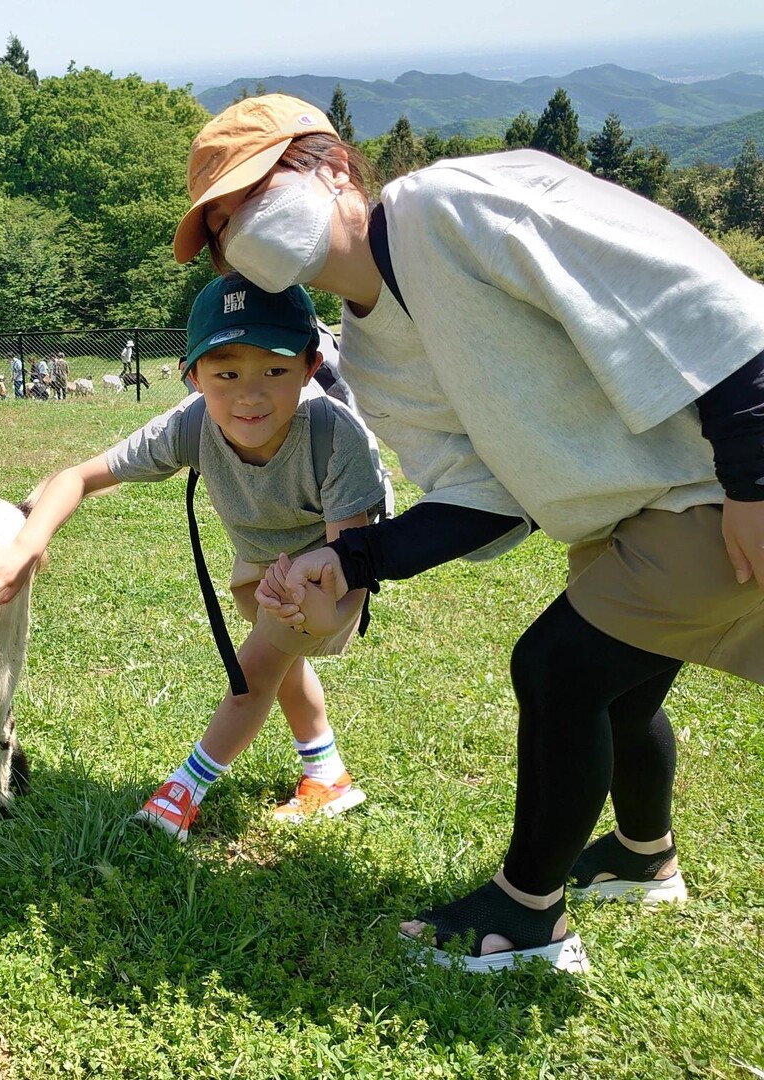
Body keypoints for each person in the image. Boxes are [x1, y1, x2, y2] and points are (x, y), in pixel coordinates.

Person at [173, 93, 764, 972]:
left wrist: (755, 469)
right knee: (623, 691)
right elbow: (482, 495)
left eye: (251, 192)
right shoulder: (368, 356)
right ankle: (645, 856)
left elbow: (687, 288)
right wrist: (350, 556)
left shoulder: (452, 207)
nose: (237, 228)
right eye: (218, 224)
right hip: (643, 507)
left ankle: (526, 918)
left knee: (560, 669)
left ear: (333, 166)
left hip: (716, 477)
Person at [0, 273, 389, 839]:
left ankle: (181, 794)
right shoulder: (191, 424)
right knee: (282, 662)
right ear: (194, 376)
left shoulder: (335, 437)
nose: (250, 394)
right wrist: (27, 545)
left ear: (310, 368)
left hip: (334, 567)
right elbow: (78, 477)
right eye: (227, 373)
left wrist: (314, 608)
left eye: (275, 370)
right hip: (260, 559)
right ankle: (327, 773)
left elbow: (343, 581)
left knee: (256, 670)